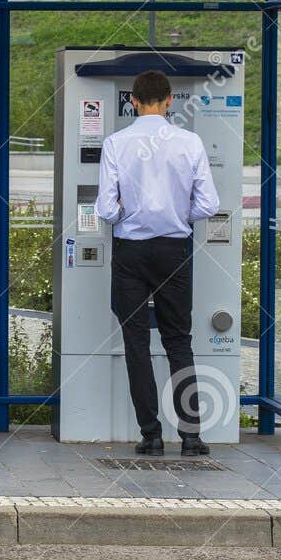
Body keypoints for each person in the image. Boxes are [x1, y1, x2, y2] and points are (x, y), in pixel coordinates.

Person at [94, 68, 220, 457]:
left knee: (136, 343)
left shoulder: (116, 142)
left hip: (131, 253)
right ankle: (192, 436)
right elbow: (209, 205)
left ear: (133, 101)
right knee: (178, 341)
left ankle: (150, 434)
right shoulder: (190, 141)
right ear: (169, 101)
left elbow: (104, 209)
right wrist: (179, 213)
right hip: (174, 250)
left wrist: (126, 212)